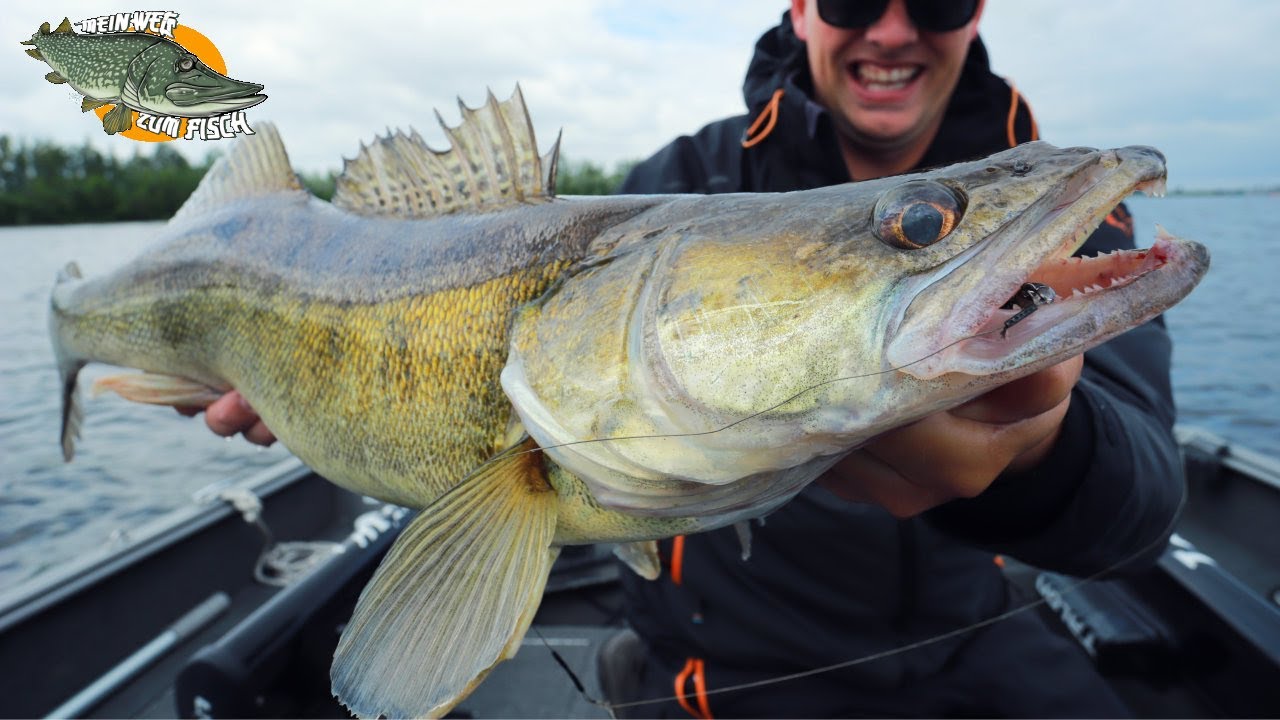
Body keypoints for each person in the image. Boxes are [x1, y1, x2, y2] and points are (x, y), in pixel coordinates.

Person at [197, 1, 1184, 716]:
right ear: (799, 11)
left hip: (967, 648)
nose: (890, 29)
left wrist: (1038, 453)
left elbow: (1141, 505)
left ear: (974, 16)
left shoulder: (1060, 217)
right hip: (718, 668)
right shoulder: (680, 182)